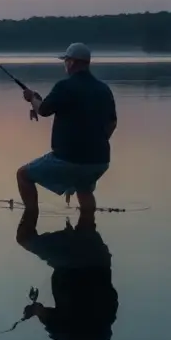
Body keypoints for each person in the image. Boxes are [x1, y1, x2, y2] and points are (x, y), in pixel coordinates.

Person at [16, 208, 119, 340]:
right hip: (69, 261)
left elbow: (113, 298)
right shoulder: (61, 335)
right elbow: (39, 310)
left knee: (86, 219)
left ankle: (83, 188)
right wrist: (31, 311)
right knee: (24, 238)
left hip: (99, 258)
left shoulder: (104, 334)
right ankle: (30, 205)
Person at [18, 43, 117, 213]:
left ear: (72, 63)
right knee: (84, 189)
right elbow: (112, 123)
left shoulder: (64, 86)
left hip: (68, 159)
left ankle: (30, 218)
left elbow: (42, 110)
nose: (65, 65)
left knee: (23, 175)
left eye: (66, 61)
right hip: (100, 160)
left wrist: (31, 98)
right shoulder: (103, 89)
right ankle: (87, 228)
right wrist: (97, 142)